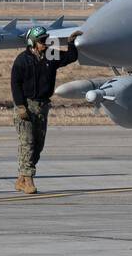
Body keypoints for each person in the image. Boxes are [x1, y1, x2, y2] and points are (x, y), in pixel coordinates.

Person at [11, 26, 81, 194]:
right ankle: (28, 180)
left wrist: (71, 43)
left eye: (46, 40)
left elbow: (70, 57)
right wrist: (20, 106)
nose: (45, 43)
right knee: (26, 143)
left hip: (42, 107)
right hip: (26, 107)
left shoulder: (51, 55)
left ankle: (21, 178)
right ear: (33, 43)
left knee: (38, 146)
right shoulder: (22, 60)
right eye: (42, 41)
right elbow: (15, 84)